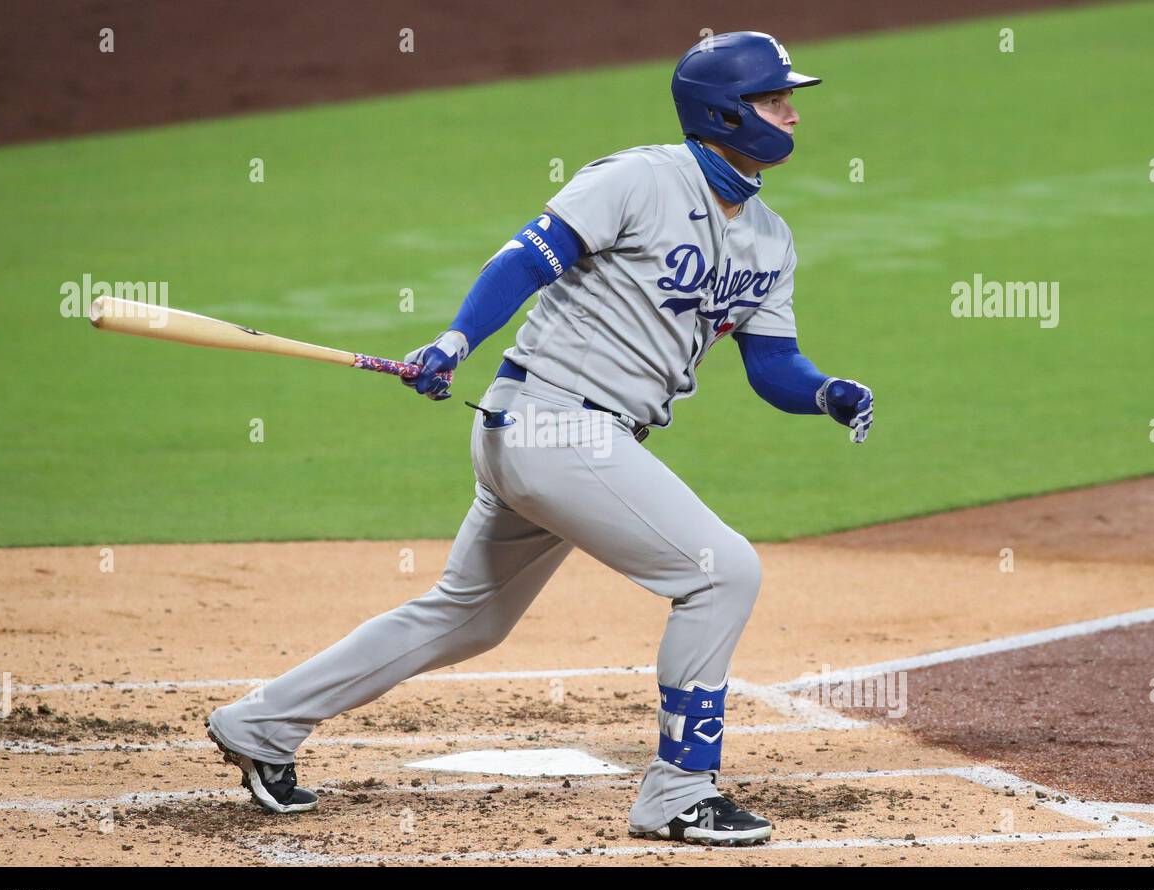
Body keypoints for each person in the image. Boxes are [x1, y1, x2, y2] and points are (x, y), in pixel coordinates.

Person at [206, 31, 873, 846]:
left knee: (469, 618)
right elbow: (528, 257)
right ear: (728, 111)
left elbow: (772, 363)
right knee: (721, 572)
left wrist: (826, 393)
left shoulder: (770, 237)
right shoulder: (641, 178)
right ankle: (678, 792)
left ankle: (262, 725)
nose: (793, 115)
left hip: (567, 438)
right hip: (555, 425)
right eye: (776, 101)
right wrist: (456, 340)